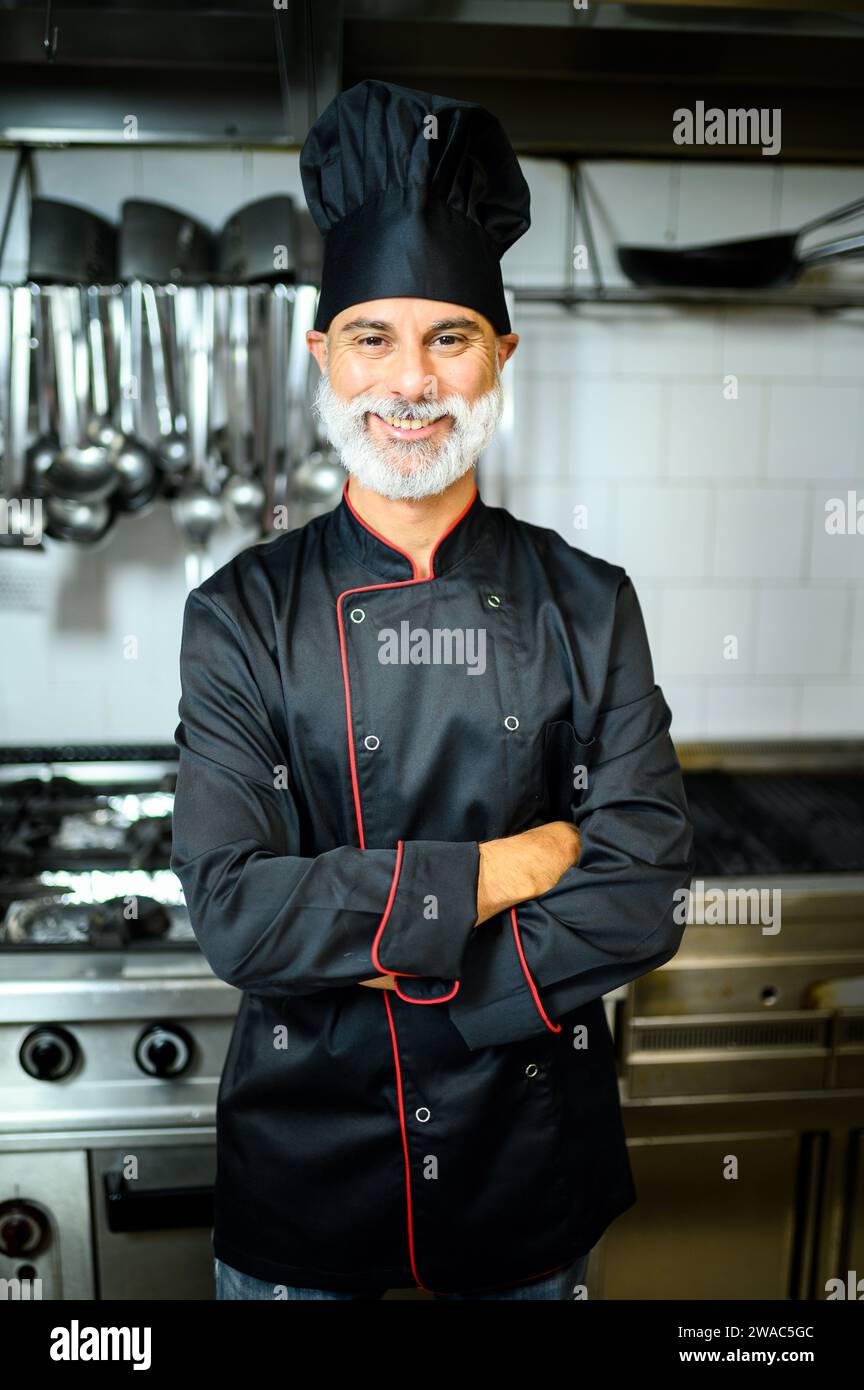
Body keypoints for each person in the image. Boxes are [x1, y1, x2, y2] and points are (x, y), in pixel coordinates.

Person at [170, 78, 695, 1301]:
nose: (411, 381)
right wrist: (510, 867)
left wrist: (406, 968)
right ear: (323, 357)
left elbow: (648, 888)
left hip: (528, 1181)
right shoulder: (241, 614)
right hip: (308, 1184)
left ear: (499, 355)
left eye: (449, 336)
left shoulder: (588, 600)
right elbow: (239, 917)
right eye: (373, 336)